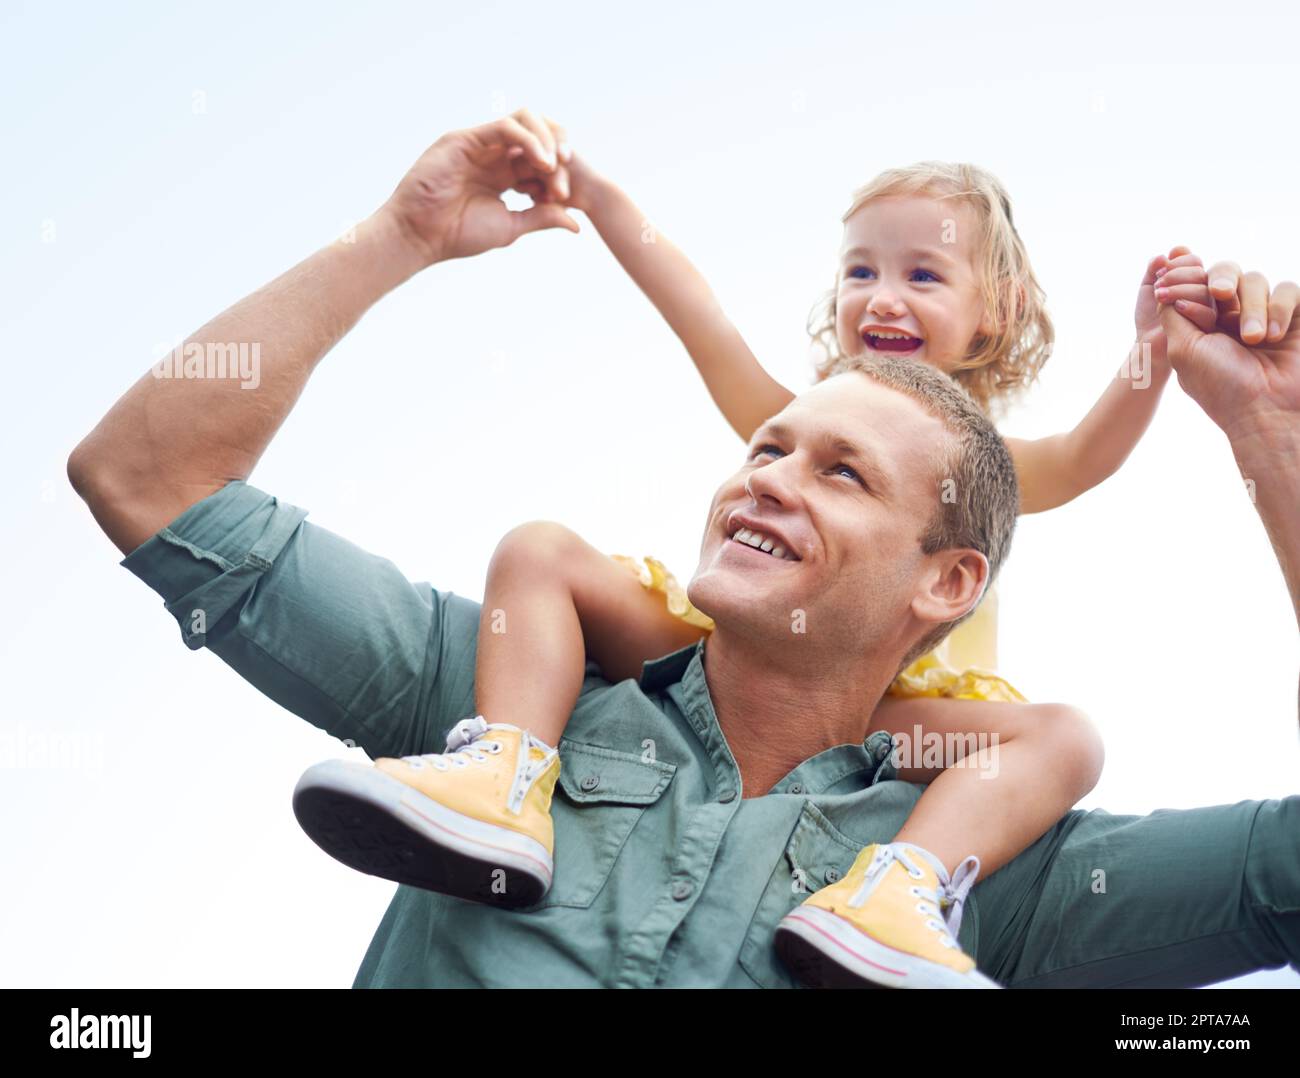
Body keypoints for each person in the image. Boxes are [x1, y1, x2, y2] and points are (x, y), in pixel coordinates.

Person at [67, 110, 1300, 988]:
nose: (763, 476)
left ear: (951, 576)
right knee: (542, 548)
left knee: (1063, 735)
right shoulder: (518, 679)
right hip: (564, 711)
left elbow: (1094, 445)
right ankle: (500, 777)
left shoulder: (1008, 867)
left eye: (841, 470)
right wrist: (411, 230)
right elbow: (147, 479)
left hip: (921, 734)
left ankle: (894, 892)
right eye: (766, 448)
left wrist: (1260, 427)